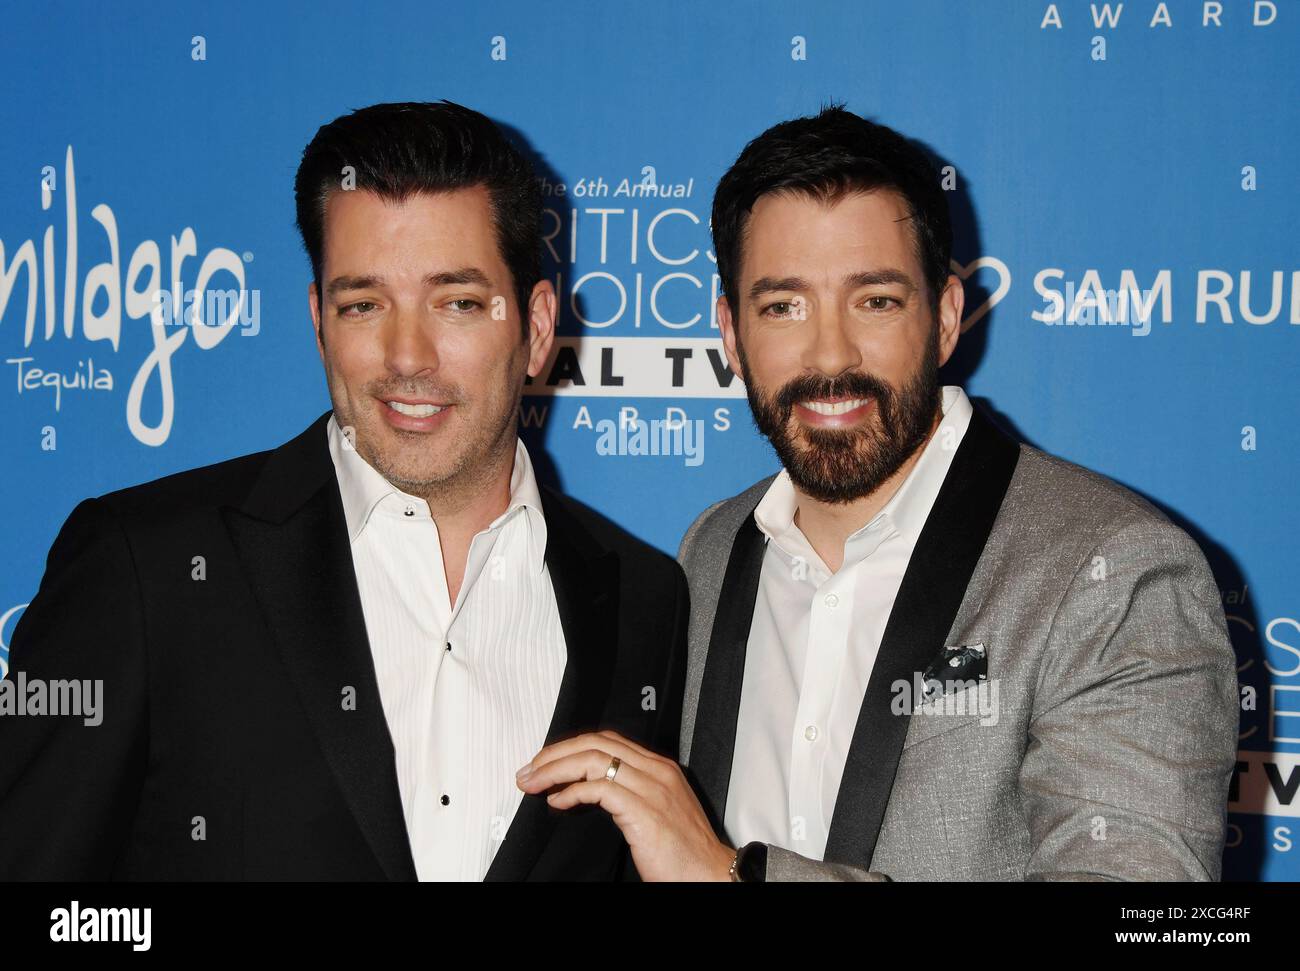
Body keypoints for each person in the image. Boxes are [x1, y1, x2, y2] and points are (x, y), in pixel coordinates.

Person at [516, 105, 1238, 882]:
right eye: (783, 305)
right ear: (730, 332)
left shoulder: (1114, 571)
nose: (831, 353)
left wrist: (736, 878)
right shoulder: (712, 548)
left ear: (947, 317)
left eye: (876, 300)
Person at [0, 101, 687, 881]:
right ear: (319, 323)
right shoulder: (146, 564)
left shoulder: (644, 600)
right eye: (363, 305)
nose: (406, 356)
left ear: (534, 329)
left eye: (457, 302)